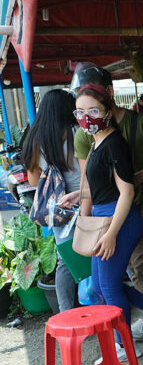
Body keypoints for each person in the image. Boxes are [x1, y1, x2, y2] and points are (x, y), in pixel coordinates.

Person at [71, 63, 143, 341]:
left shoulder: (116, 140)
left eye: (92, 111)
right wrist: (84, 215)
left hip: (125, 215)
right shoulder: (92, 139)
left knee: (132, 275)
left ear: (108, 104)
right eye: (80, 112)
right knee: (101, 287)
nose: (86, 118)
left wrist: (112, 232)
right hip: (107, 217)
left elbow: (126, 190)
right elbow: (90, 184)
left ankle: (123, 347)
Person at [20, 90, 80, 312]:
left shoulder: (36, 141)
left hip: (59, 209)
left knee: (65, 260)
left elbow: (35, 181)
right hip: (85, 201)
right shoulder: (77, 132)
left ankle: (66, 312)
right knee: (97, 254)